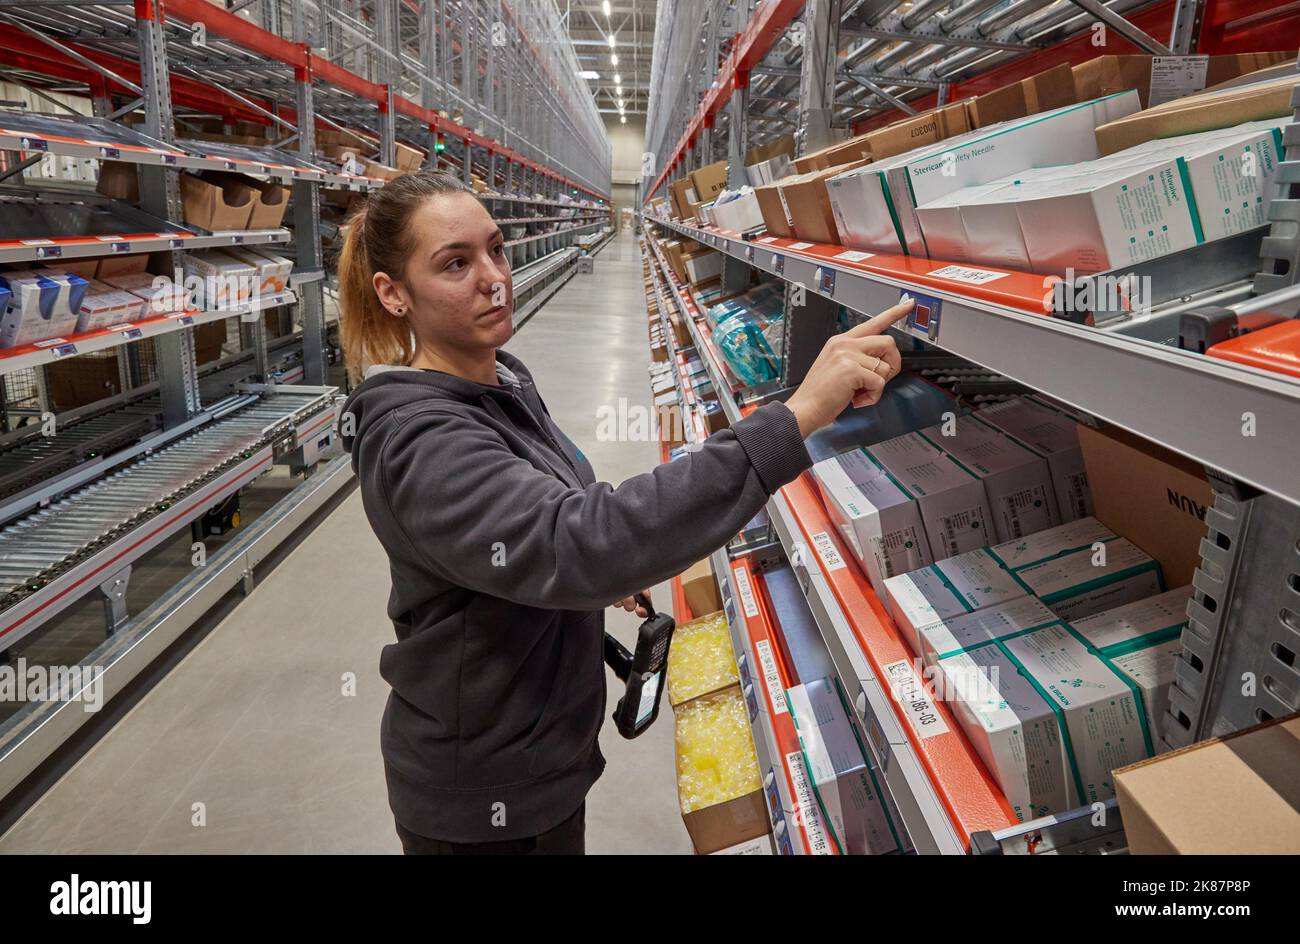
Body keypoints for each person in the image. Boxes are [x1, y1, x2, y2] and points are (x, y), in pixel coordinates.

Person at [336, 170, 914, 855]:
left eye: (495, 249)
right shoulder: (420, 441)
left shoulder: (499, 377)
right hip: (485, 794)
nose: (494, 277)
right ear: (392, 293)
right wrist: (797, 416)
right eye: (455, 264)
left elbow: (554, 521)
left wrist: (596, 587)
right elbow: (577, 542)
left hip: (535, 755)